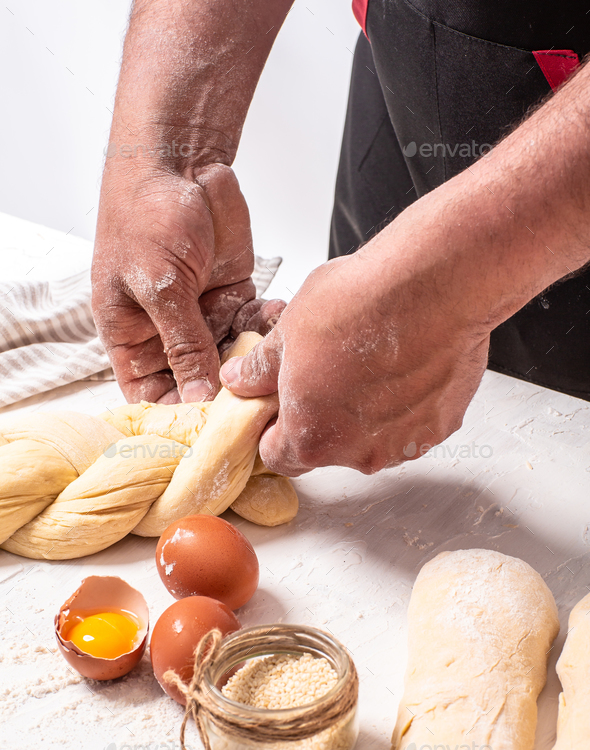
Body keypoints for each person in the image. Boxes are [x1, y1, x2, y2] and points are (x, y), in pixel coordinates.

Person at [91, 0, 590, 478]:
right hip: (407, 60)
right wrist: (165, 156)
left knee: (557, 469)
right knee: (335, 386)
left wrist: (446, 284)